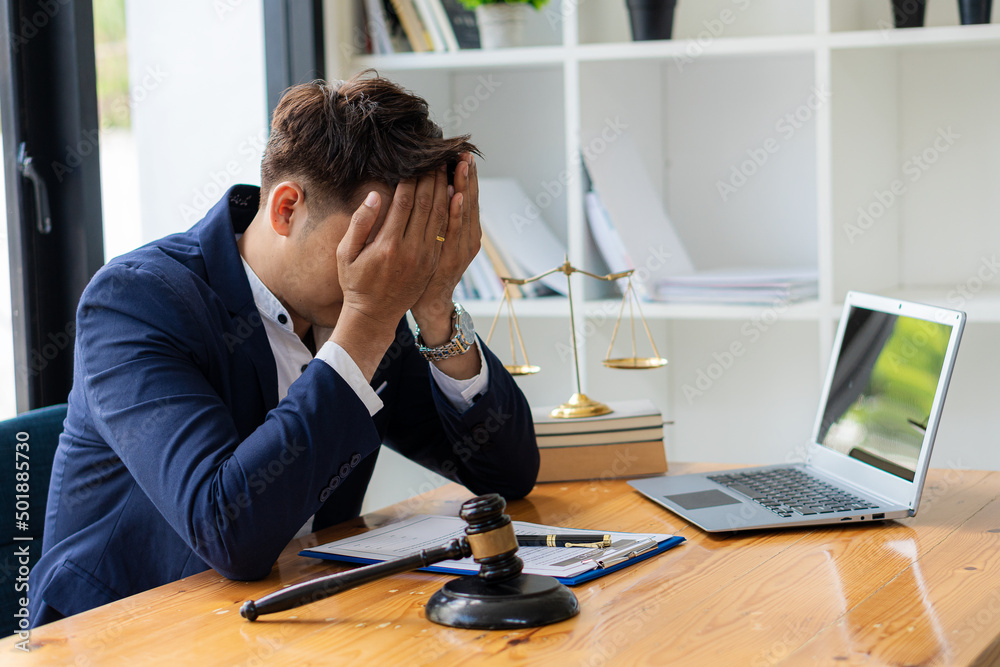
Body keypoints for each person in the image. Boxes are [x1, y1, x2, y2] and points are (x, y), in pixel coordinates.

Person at [27, 73, 539, 626]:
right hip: (124, 633)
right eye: (382, 241)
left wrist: (436, 308)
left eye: (415, 244)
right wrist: (366, 324)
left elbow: (505, 478)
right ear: (287, 208)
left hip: (284, 621)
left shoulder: (362, 298)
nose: (399, 266)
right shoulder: (134, 302)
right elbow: (231, 535)